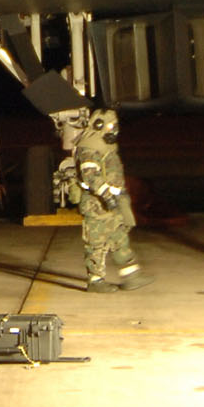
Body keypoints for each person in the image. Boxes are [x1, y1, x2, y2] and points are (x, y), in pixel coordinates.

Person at [61, 107, 151, 291]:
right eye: (111, 126)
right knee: (97, 243)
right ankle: (95, 281)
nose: (114, 130)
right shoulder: (89, 148)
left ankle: (131, 276)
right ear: (100, 125)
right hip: (97, 204)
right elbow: (90, 175)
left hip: (111, 202)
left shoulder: (104, 145)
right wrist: (106, 196)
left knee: (119, 238)